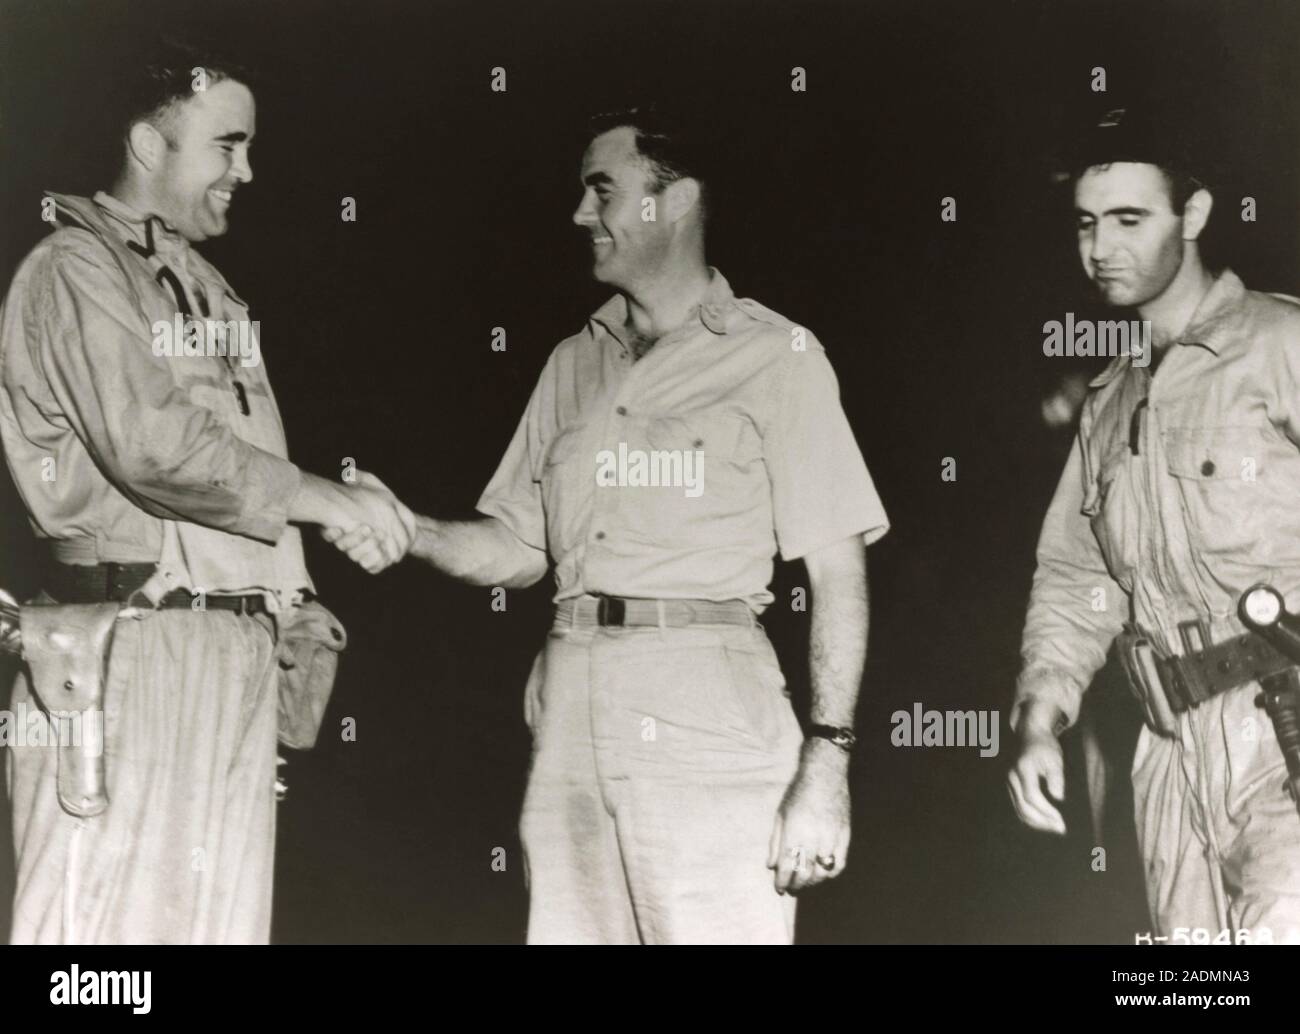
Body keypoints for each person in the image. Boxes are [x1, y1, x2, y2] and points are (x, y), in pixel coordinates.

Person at [333, 106, 889, 943]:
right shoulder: (571, 362)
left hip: (710, 713)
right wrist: (411, 530)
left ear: (680, 199)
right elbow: (520, 546)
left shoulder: (778, 357)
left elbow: (838, 572)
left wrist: (830, 759)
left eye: (603, 191)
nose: (580, 215)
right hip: (569, 713)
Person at [0, 42, 412, 944]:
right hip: (127, 656)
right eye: (229, 146)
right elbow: (153, 447)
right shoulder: (77, 269)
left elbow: (248, 461)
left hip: (231, 660)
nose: (248, 171)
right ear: (150, 146)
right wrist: (332, 502)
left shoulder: (213, 292)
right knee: (97, 953)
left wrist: (295, 610)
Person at [1008, 105, 1300, 942]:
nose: (1101, 248)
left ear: (1195, 216)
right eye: (1087, 224)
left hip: (1284, 730)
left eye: (1131, 220)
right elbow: (1077, 580)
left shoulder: (1281, 346)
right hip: (1170, 758)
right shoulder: (1109, 404)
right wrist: (1038, 720)